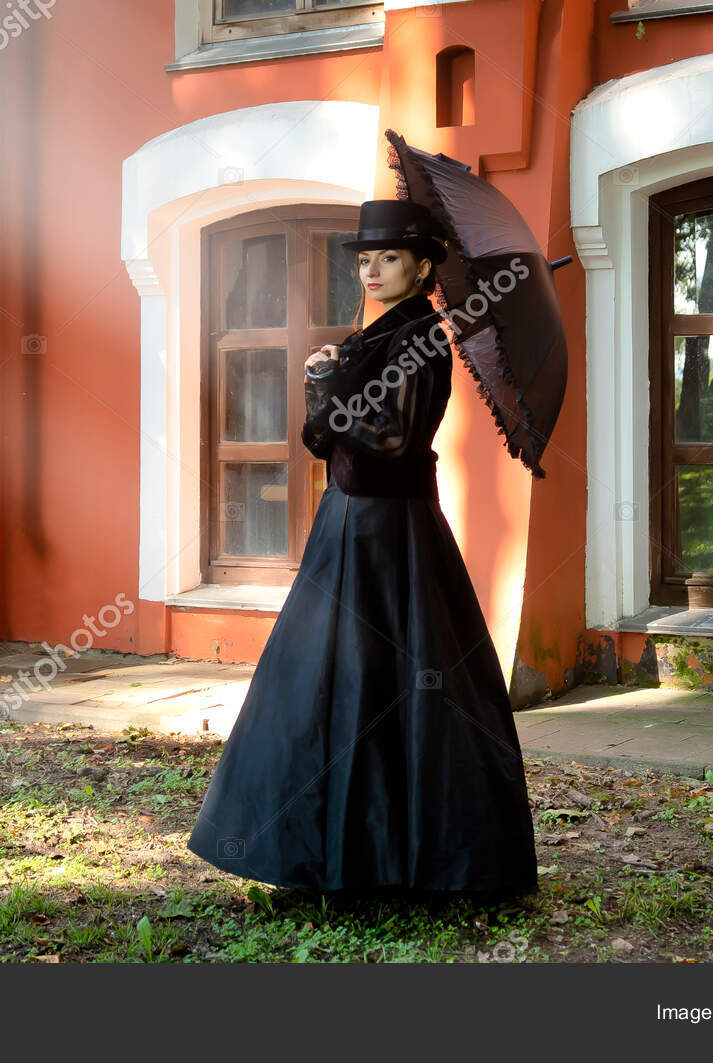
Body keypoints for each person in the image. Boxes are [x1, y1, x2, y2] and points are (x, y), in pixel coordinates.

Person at [186, 199, 538, 898]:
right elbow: (323, 441)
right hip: (343, 522)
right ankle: (327, 855)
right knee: (329, 680)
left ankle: (398, 862)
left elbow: (389, 443)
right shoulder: (375, 338)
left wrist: (331, 383)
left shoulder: (426, 340)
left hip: (391, 531)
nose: (371, 270)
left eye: (389, 258)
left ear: (424, 266)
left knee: (392, 682)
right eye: (364, 259)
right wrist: (329, 374)